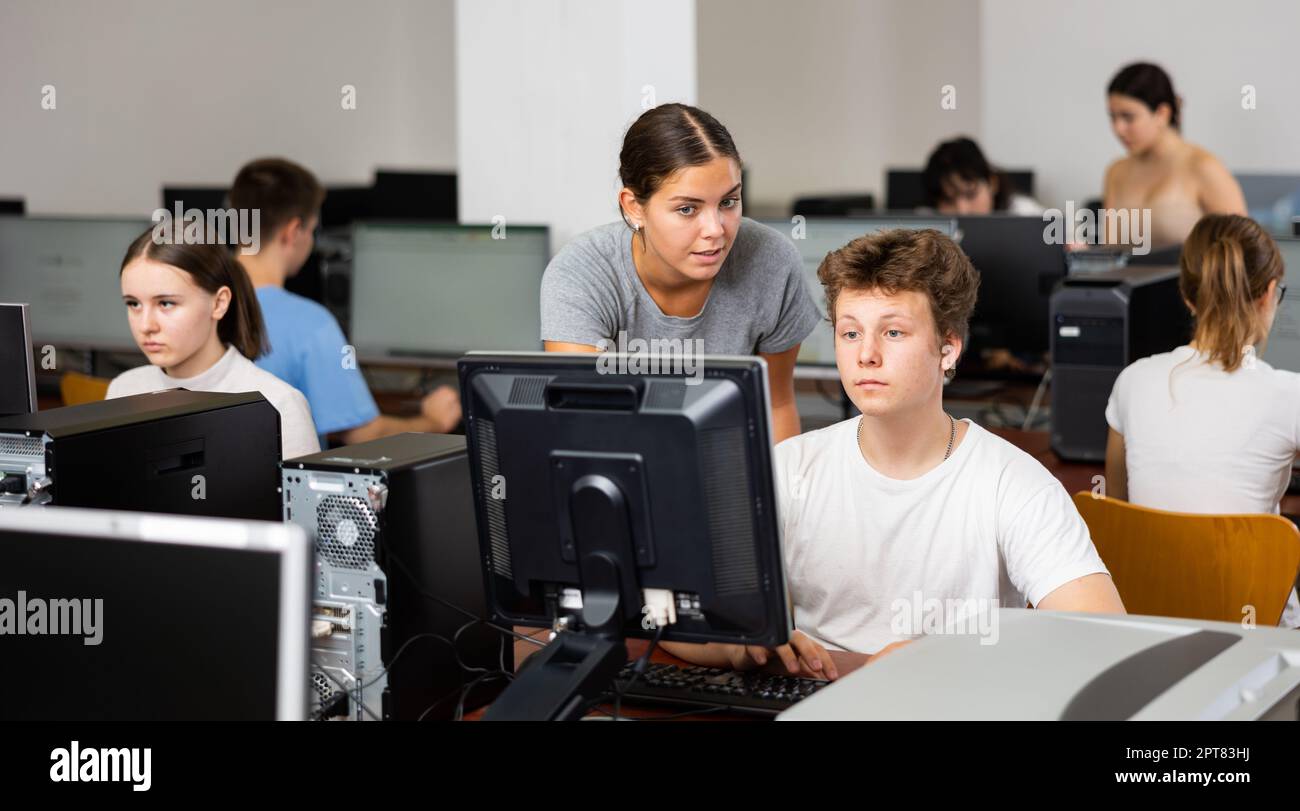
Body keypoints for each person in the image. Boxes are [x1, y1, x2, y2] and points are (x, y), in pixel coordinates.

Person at [662, 228, 1125, 678]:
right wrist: (741, 646)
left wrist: (941, 659)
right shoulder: (790, 467)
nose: (866, 354)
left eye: (894, 333)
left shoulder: (1014, 484)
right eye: (849, 333)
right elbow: (666, 612)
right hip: (813, 701)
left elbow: (1102, 638)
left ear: (948, 348)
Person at [539, 103, 821, 442]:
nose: (715, 230)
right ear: (634, 207)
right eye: (687, 209)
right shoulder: (582, 272)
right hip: (623, 469)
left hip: (729, 472)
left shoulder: (772, 261)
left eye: (728, 202)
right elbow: (583, 422)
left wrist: (777, 493)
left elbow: (776, 405)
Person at [1105, 213, 1298, 626]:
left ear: (1187, 296)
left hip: (1148, 626)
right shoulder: (1290, 395)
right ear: (1268, 295)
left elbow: (1119, 513)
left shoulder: (1132, 381)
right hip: (1257, 635)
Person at [230, 158, 461, 448]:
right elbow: (363, 436)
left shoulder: (197, 302)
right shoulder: (309, 324)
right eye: (312, 230)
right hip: (287, 491)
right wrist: (434, 422)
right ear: (292, 231)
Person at [107, 230, 320, 460]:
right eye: (133, 304)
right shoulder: (123, 391)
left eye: (166, 303)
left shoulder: (278, 404)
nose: (146, 325)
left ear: (219, 303)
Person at [1102, 62, 1246, 249]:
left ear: (1162, 113)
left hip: (1189, 279)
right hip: (1124, 278)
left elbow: (1242, 250)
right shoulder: (1116, 172)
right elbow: (1110, 251)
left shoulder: (1204, 167)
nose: (1118, 129)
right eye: (1112, 117)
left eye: (1128, 117)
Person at [921, 136, 1042, 215]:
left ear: (992, 183)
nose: (962, 210)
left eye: (971, 195)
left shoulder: (1026, 213)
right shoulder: (923, 224)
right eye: (948, 201)